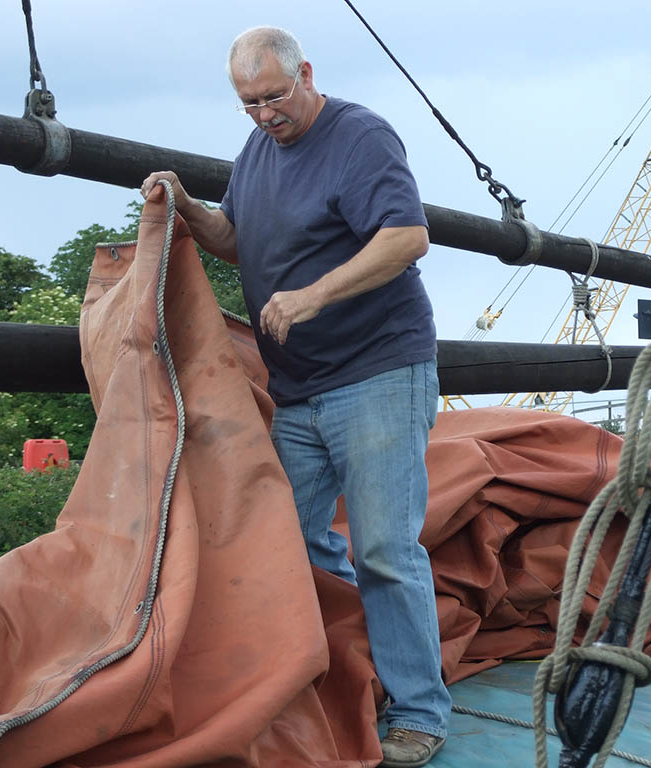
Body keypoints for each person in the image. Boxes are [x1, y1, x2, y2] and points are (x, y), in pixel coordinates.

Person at [141, 25, 449, 768]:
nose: (264, 114)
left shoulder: (360, 137)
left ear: (306, 74)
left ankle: (420, 711)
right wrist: (186, 204)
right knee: (289, 541)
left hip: (378, 373)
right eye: (249, 103)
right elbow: (235, 238)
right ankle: (349, 669)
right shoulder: (257, 150)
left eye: (274, 96)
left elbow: (407, 237)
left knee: (384, 547)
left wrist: (311, 296)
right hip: (299, 391)